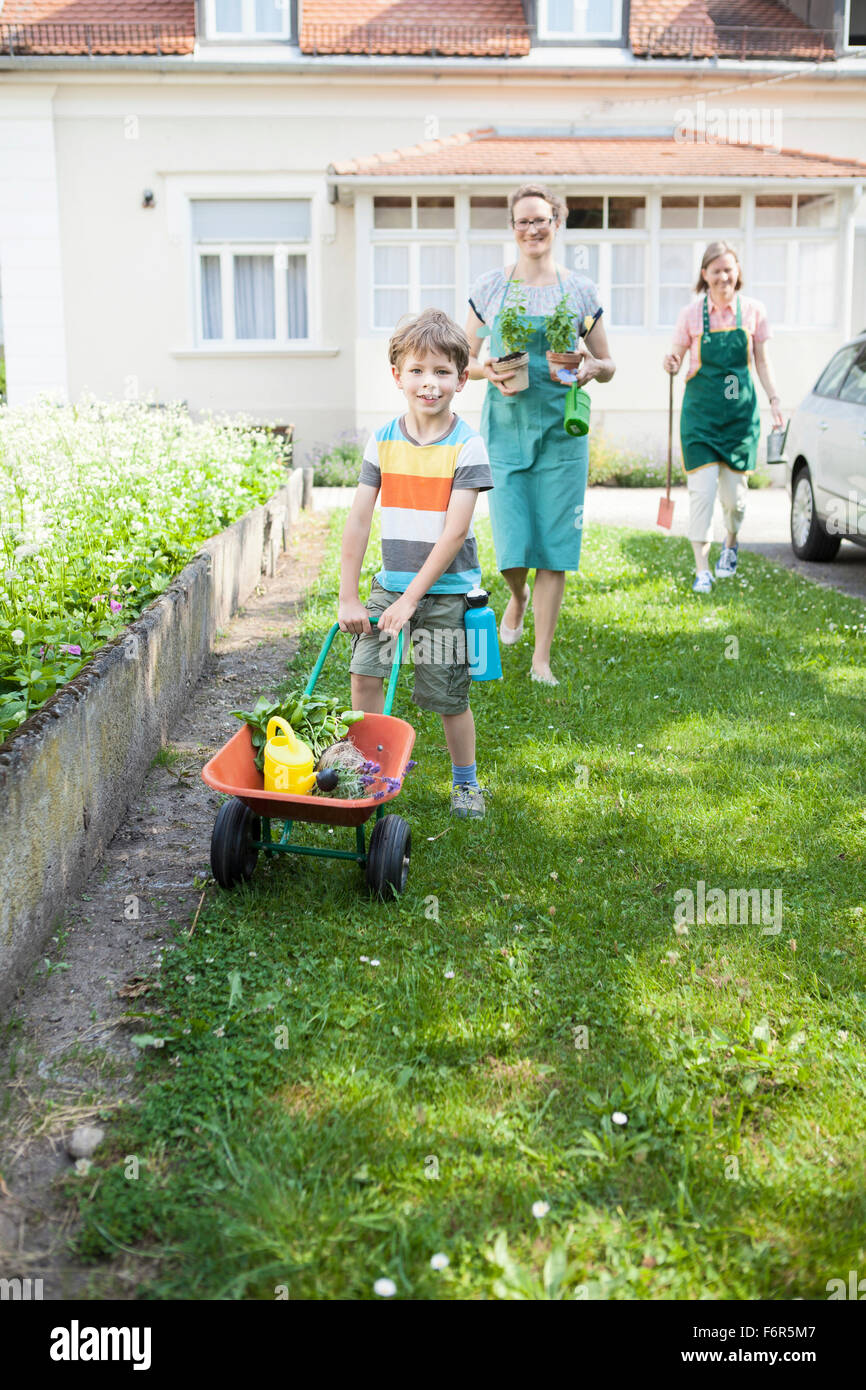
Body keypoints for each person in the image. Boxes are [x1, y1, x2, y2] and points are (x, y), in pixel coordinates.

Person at [338, 308, 494, 819]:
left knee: (445, 696)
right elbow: (359, 520)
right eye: (418, 371)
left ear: (462, 379)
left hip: (446, 593)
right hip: (390, 586)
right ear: (398, 376)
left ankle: (466, 784)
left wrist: (412, 601)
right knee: (365, 673)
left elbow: (454, 533)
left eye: (442, 372)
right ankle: (368, 767)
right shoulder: (382, 440)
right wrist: (349, 594)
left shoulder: (467, 445)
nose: (429, 383)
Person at [465, 183, 615, 686]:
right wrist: (489, 371)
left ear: (557, 222)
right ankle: (517, 595)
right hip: (506, 430)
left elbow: (608, 362)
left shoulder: (580, 290)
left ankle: (541, 660)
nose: (532, 229)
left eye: (541, 219)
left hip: (562, 433)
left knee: (555, 543)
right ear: (512, 228)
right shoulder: (491, 287)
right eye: (522, 221)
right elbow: (463, 358)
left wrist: (593, 367)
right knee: (511, 542)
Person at [664, 240, 784, 593]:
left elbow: (761, 361)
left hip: (739, 419)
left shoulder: (753, 312)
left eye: (728, 269)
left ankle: (730, 542)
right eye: (715, 270)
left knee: (735, 499)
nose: (723, 276)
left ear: (738, 272)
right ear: (705, 274)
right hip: (700, 418)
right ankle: (702, 569)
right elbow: (674, 356)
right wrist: (670, 362)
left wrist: (774, 398)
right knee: (701, 494)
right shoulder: (690, 314)